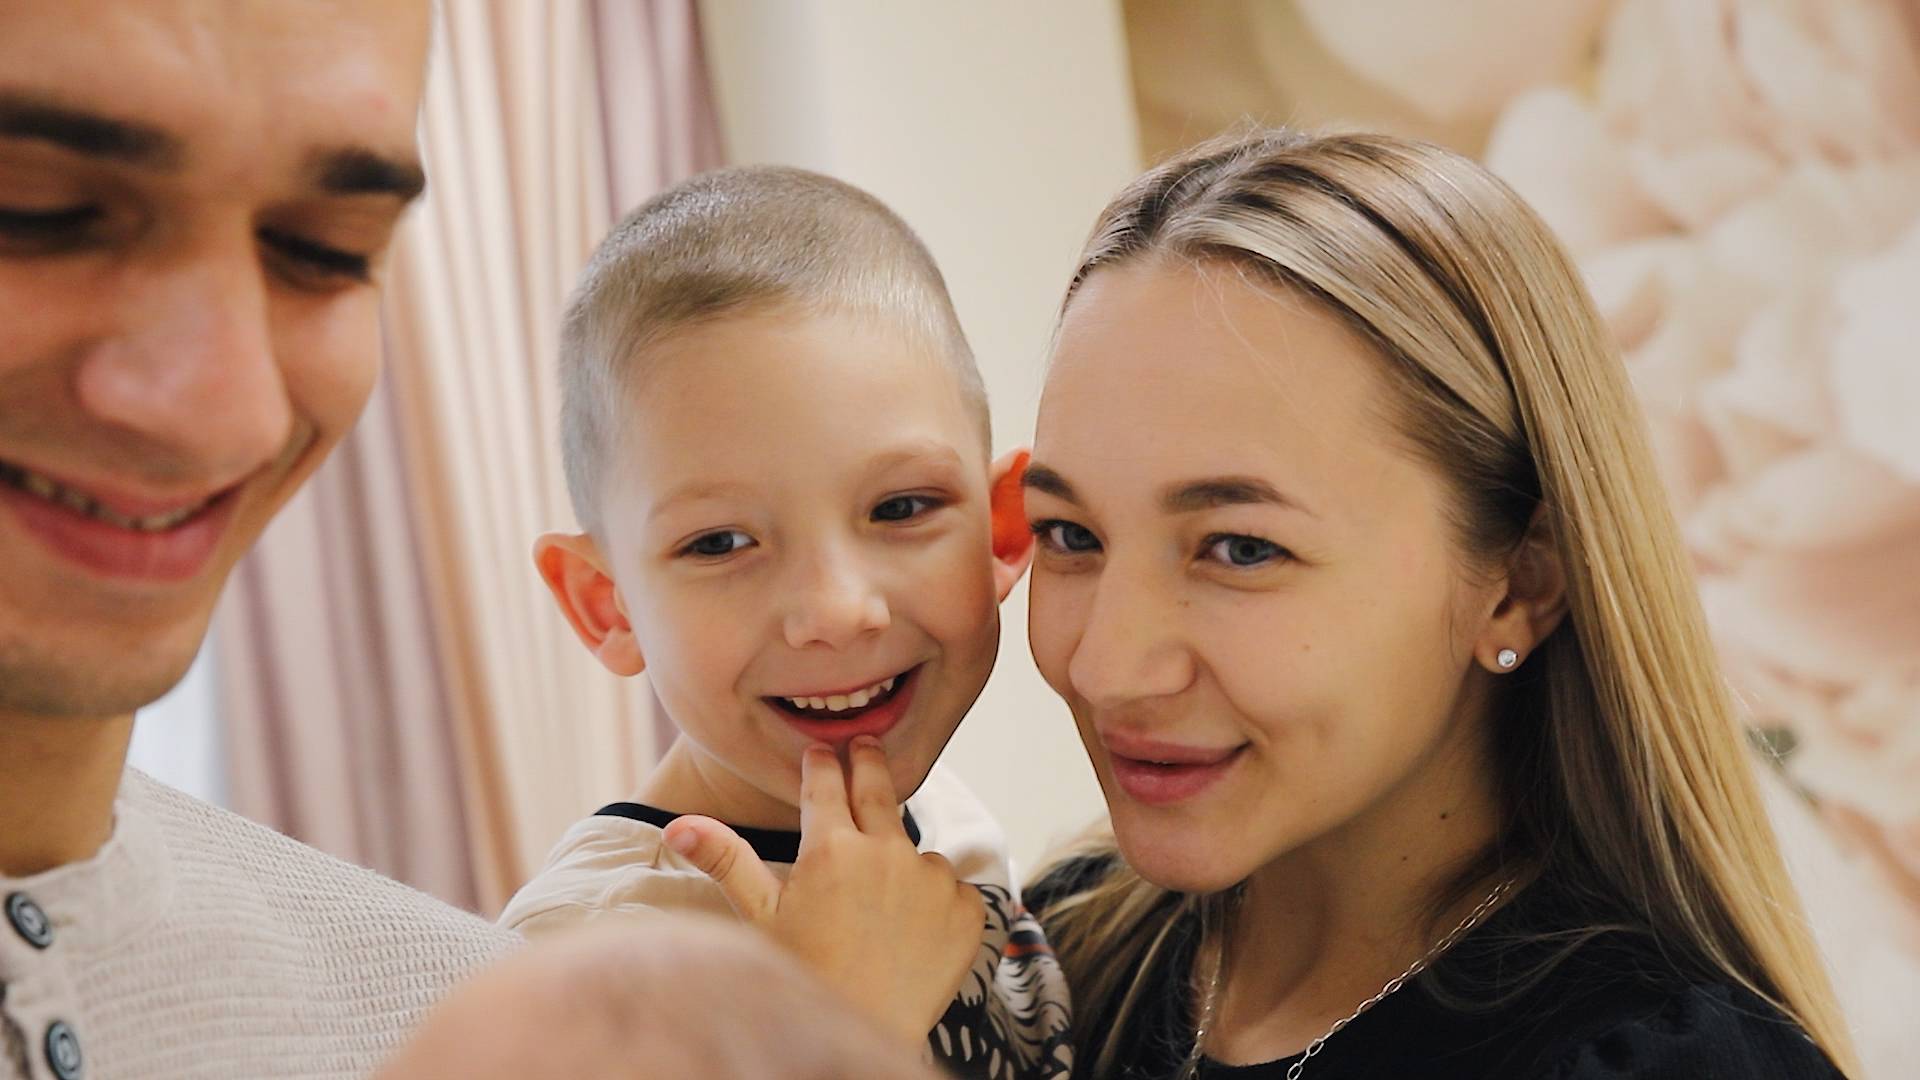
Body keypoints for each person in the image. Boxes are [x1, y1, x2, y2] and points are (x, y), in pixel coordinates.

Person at [0, 4, 951, 1078]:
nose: (229, 408)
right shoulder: (560, 990)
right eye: (37, 213)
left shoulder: (422, 1002)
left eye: (323, 250)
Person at [1014, 129, 1860, 1078]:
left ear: (1522, 584)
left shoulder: (1659, 1064)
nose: (1106, 668)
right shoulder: (1042, 962)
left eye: (1242, 548)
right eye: (1070, 535)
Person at [497, 165, 1072, 1079]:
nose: (836, 612)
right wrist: (844, 1020)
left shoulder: (947, 825)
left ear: (1004, 531)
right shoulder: (582, 962)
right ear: (606, 604)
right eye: (721, 542)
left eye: (901, 508)